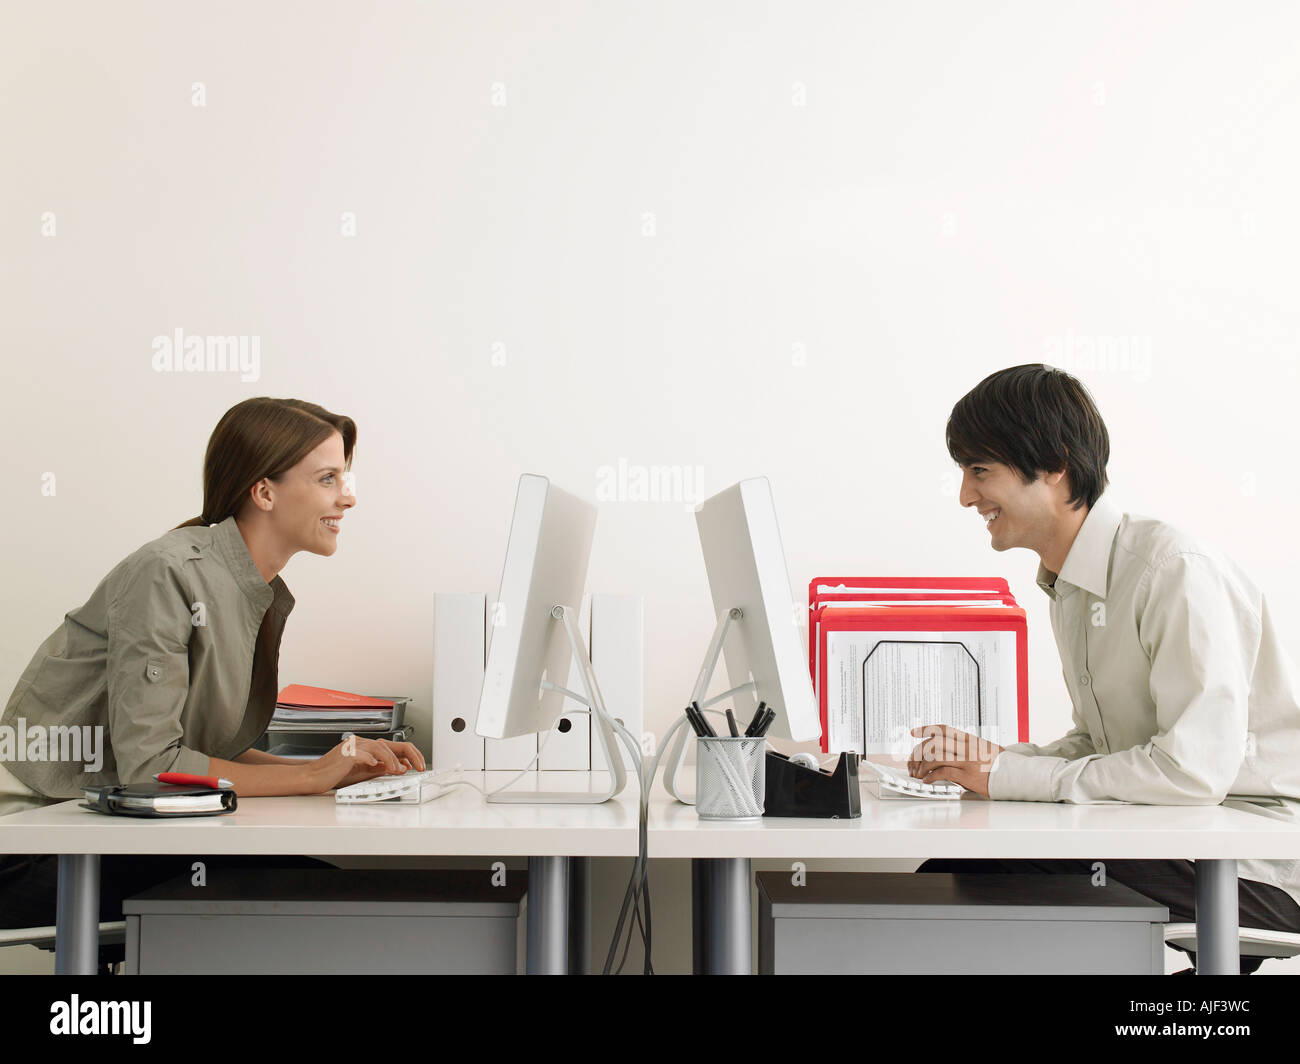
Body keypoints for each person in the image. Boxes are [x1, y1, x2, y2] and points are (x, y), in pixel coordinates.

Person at [0, 397, 424, 968]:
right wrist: (310, 778)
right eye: (328, 479)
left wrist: (327, 771)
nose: (347, 497)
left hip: (100, 830)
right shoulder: (169, 571)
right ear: (264, 491)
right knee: (324, 903)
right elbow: (152, 769)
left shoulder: (246, 585)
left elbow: (200, 754)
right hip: (35, 845)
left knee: (330, 896)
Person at [910, 364, 1300, 974]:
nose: (965, 495)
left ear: (1056, 464)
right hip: (1183, 837)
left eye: (979, 470)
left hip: (1255, 861)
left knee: (966, 872)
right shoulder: (1069, 585)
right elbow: (1103, 746)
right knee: (960, 871)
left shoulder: (1170, 568)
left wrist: (1009, 776)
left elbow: (1191, 773)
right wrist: (999, 761)